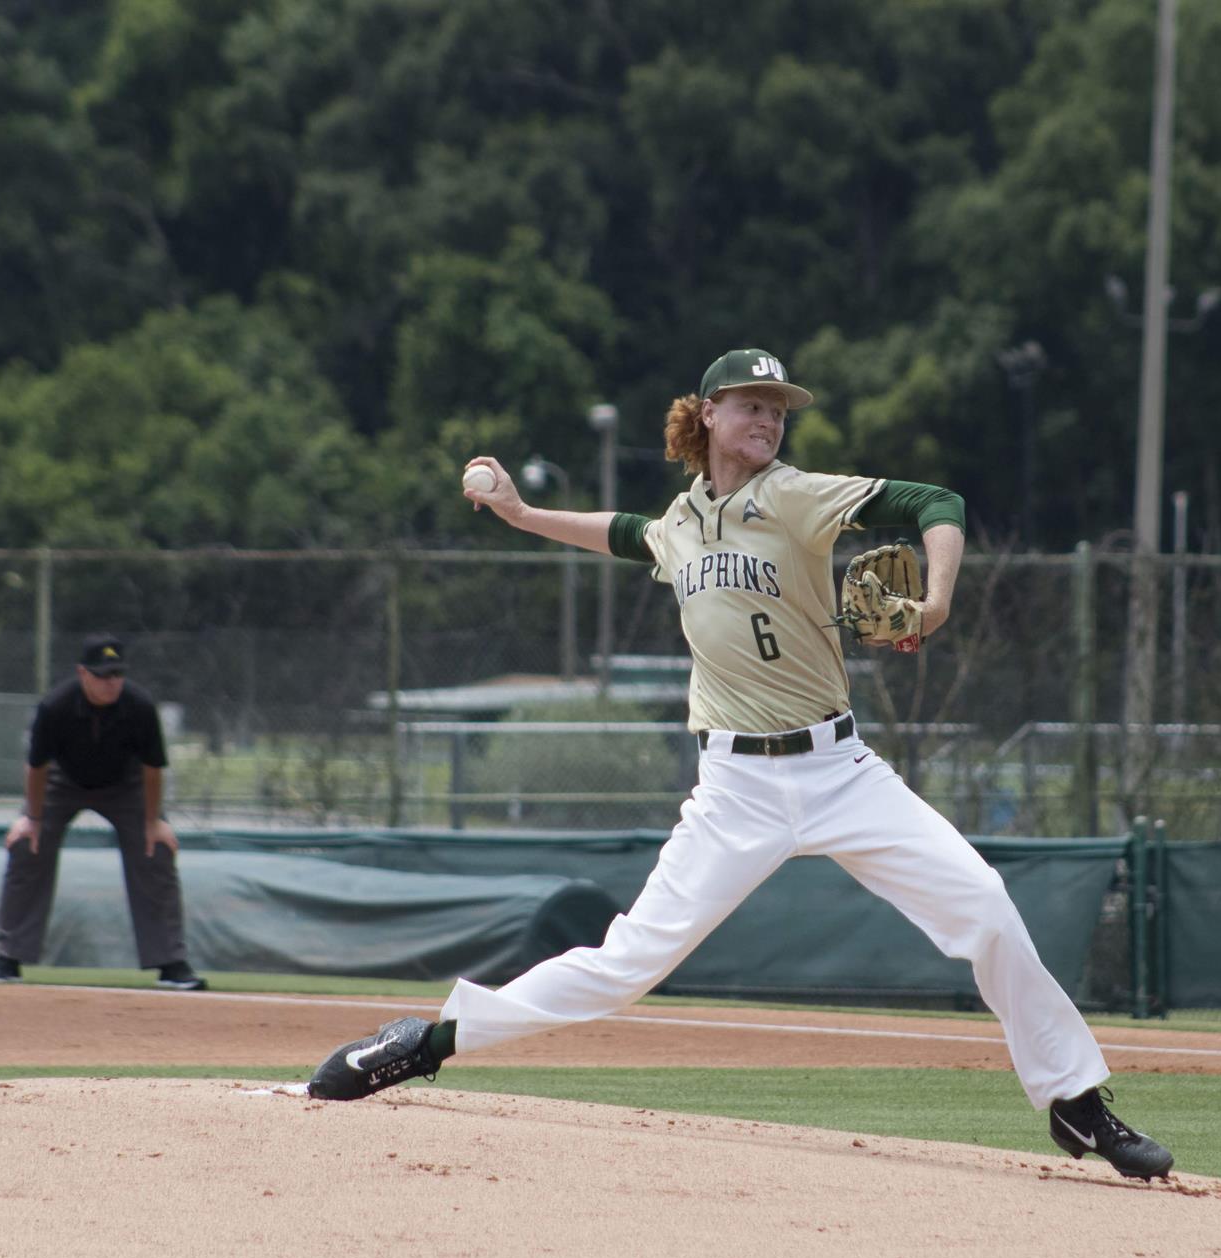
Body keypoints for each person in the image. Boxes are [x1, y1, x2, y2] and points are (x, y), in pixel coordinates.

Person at [308, 349, 1170, 1179]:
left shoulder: (795, 497)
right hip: (735, 790)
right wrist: (522, 515)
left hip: (840, 770)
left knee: (981, 902)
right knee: (626, 963)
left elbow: (934, 499)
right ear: (708, 413)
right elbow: (622, 533)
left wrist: (937, 602)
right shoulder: (679, 524)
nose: (768, 417)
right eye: (752, 403)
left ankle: (1075, 1099)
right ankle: (427, 1043)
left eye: (778, 407)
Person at [0, 633, 207, 992]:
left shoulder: (140, 706)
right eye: (102, 675)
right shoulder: (56, 706)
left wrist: (153, 821)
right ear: (82, 673)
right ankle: (8, 957)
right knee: (27, 845)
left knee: (156, 851)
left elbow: (152, 768)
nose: (110, 683)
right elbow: (36, 767)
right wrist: (32, 819)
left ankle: (171, 962)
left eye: (116, 674)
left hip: (125, 785)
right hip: (63, 781)